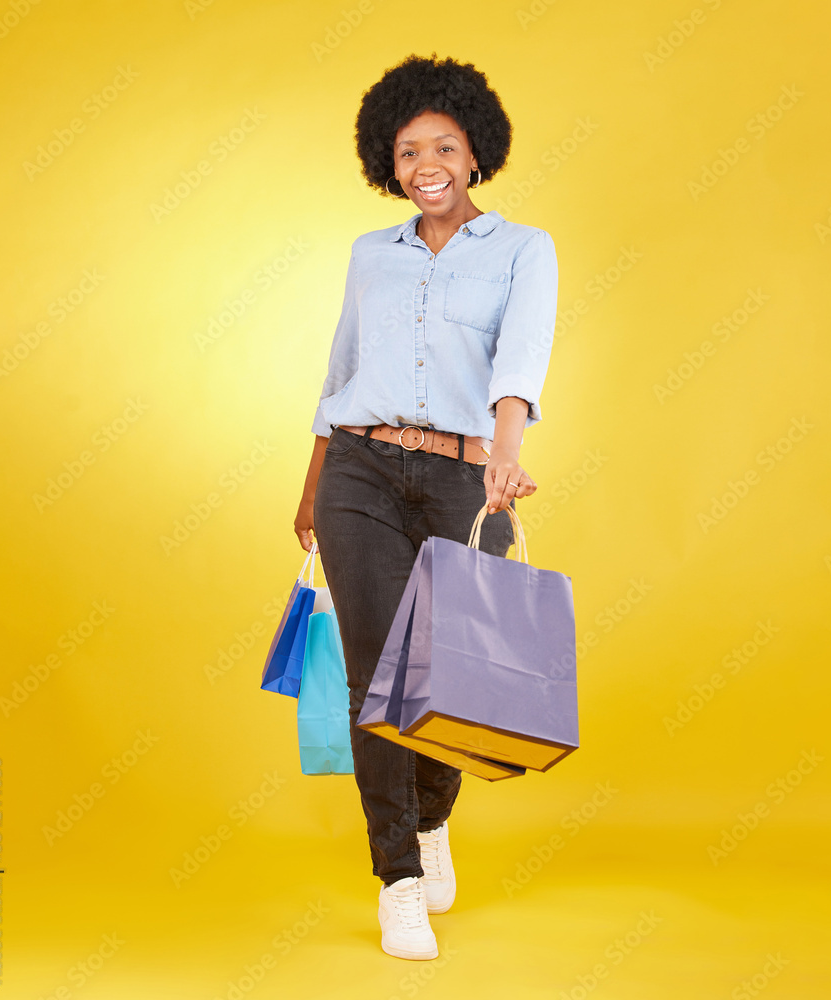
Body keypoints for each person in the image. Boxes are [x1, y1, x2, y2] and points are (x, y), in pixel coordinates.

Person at [293, 53, 559, 961]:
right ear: (389, 165)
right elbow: (339, 375)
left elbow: (519, 361)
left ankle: (433, 816)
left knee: (445, 678)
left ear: (475, 153)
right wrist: (311, 485)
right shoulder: (371, 255)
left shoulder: (525, 249)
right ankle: (398, 877)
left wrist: (506, 457)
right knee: (375, 676)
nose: (426, 163)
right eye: (407, 151)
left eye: (443, 145)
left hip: (459, 475)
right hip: (358, 473)